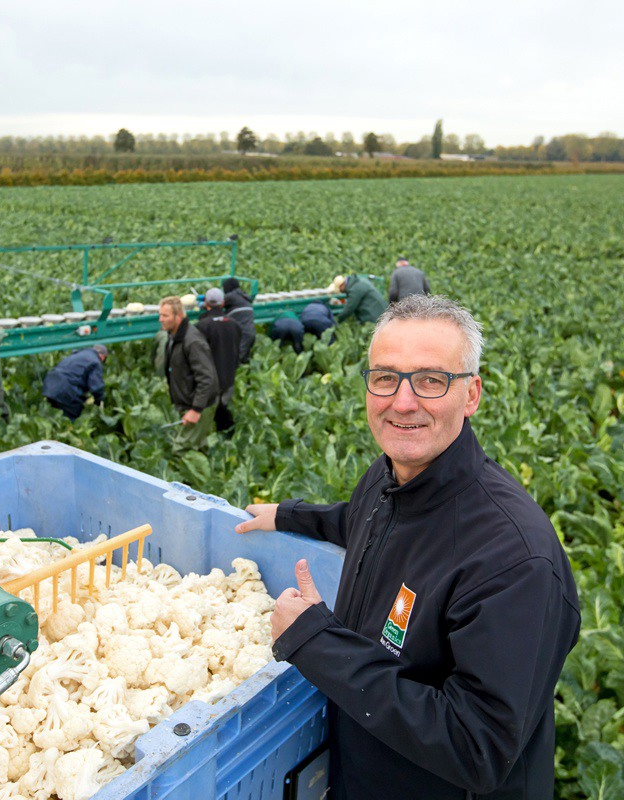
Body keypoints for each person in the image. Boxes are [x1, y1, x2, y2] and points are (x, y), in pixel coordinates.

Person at [236, 295, 580, 799]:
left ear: (472, 395)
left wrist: (316, 640)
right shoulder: (389, 477)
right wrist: (288, 515)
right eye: (385, 377)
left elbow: (477, 747)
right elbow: (363, 520)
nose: (402, 401)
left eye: (430, 380)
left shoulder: (513, 559)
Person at [157, 295, 218, 448]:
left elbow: (206, 378)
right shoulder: (174, 336)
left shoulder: (192, 341)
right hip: (188, 402)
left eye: (165, 315)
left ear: (178, 316)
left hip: (199, 405)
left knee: (181, 449)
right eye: (160, 315)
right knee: (197, 445)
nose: (160, 319)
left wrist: (196, 410)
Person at [195, 288, 241, 432]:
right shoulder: (235, 324)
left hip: (209, 379)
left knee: (208, 414)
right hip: (228, 376)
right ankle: (226, 435)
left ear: (206, 303)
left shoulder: (201, 326)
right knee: (223, 408)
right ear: (222, 304)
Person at [41, 345, 107, 421]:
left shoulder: (78, 354)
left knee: (54, 416)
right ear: (102, 356)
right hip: (65, 389)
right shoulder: (95, 361)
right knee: (74, 416)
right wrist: (99, 401)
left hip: (50, 386)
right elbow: (97, 387)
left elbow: (74, 375)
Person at [221, 277, 256, 363]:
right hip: (250, 333)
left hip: (242, 335)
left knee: (236, 360)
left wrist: (203, 302)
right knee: (244, 360)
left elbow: (217, 302)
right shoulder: (244, 296)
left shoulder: (231, 296)